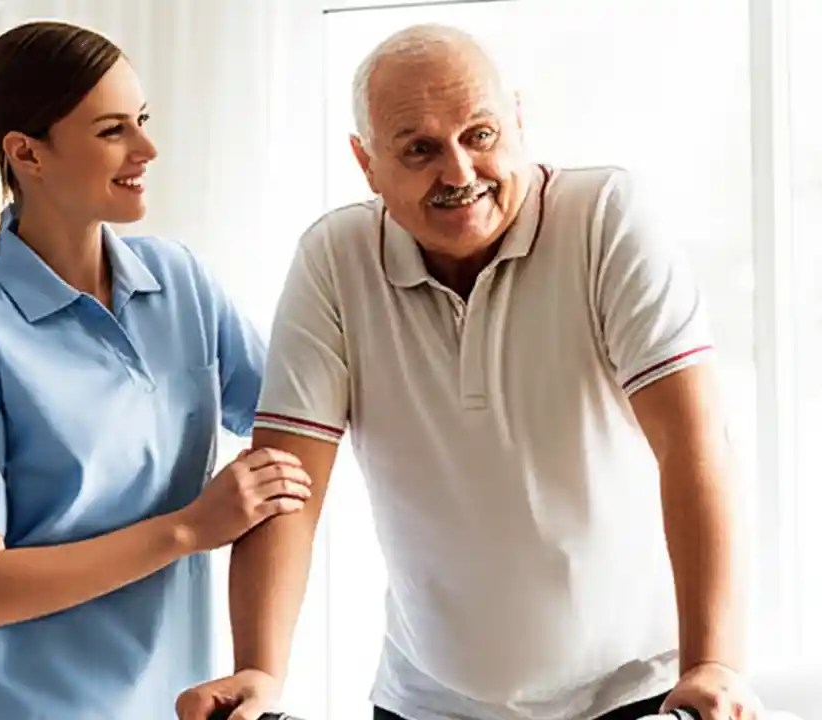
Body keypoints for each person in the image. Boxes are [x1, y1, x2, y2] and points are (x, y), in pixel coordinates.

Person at [178, 23, 764, 720]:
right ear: (366, 162)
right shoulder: (335, 257)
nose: (458, 173)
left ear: (517, 122)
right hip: (428, 700)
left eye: (479, 135)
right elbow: (288, 482)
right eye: (419, 149)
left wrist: (712, 663)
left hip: (637, 690)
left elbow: (692, 442)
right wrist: (259, 669)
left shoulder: (605, 217)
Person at [0, 20, 312, 720]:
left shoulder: (180, 283)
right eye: (113, 130)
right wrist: (190, 528)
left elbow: (296, 423)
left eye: (142, 120)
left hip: (172, 701)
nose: (147, 149)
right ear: (27, 153)